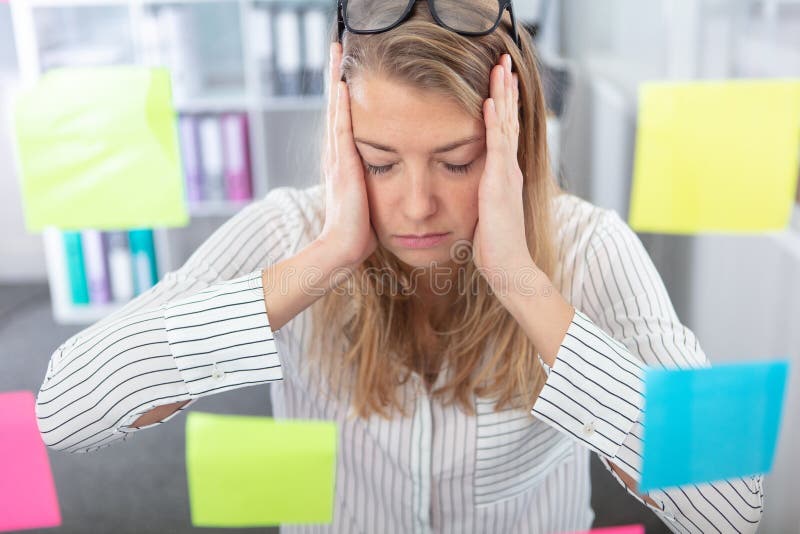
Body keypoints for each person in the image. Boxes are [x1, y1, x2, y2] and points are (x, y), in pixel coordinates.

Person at [35, 1, 764, 533]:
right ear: (342, 141)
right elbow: (66, 408)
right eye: (380, 163)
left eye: (458, 162)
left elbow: (729, 506)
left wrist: (522, 281)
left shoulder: (587, 247)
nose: (417, 206)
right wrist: (326, 259)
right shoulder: (292, 231)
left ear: (513, 143)